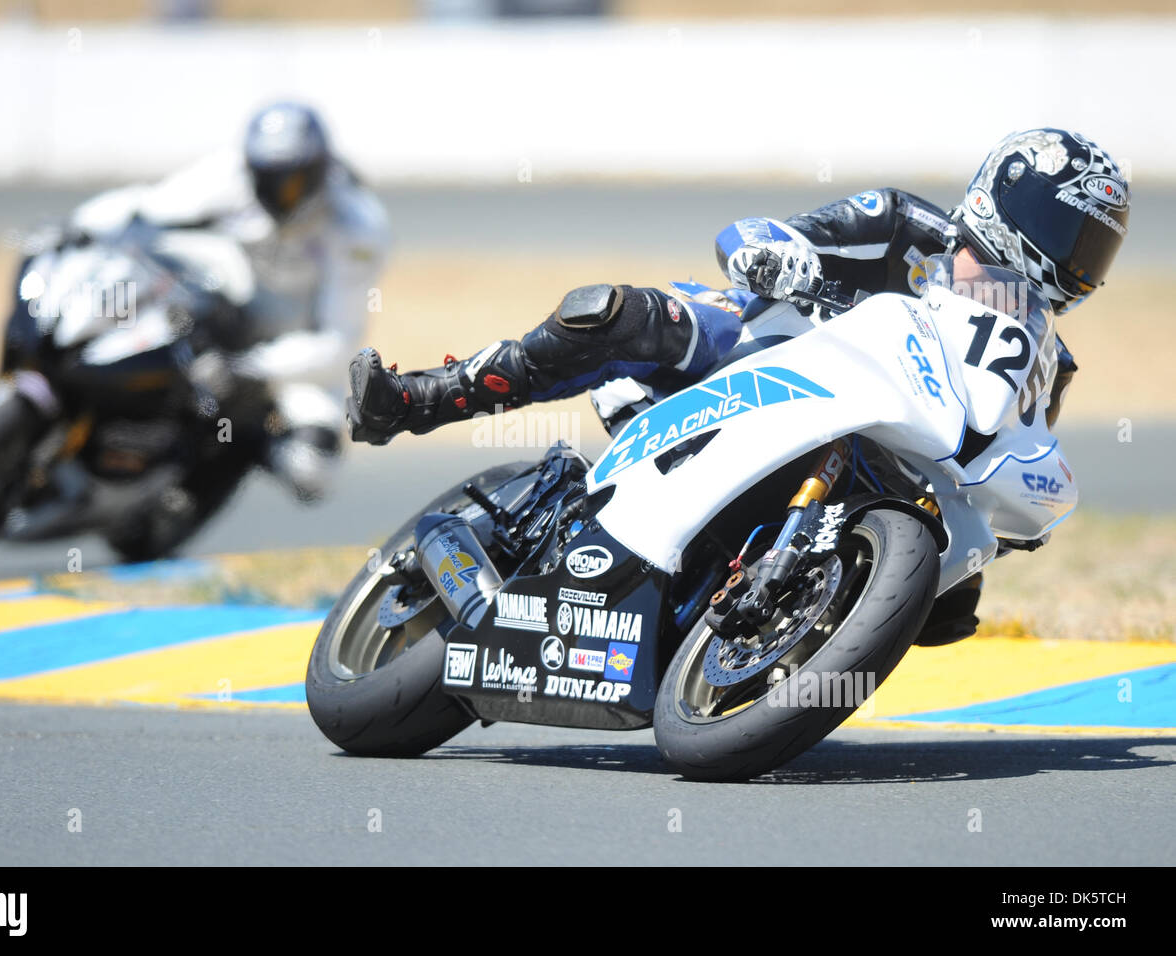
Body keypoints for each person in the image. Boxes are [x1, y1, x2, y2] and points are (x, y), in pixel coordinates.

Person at [345, 128, 1130, 644]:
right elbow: (759, 235)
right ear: (1008, 199)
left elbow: (1006, 451)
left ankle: (765, 627)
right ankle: (422, 397)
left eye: (1098, 249)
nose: (1080, 261)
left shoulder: (1043, 358)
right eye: (1073, 235)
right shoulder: (902, 223)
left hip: (881, 449)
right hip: (764, 346)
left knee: (952, 609)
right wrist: (779, 255)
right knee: (614, 316)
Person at [69, 101, 389, 503]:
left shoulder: (357, 225)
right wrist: (78, 225)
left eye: (296, 179)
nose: (283, 193)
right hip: (213, 312)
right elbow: (148, 208)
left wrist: (249, 371)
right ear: (251, 165)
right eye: (271, 177)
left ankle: (244, 447)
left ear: (322, 168)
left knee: (312, 470)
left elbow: (337, 342)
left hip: (288, 354)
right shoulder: (229, 172)